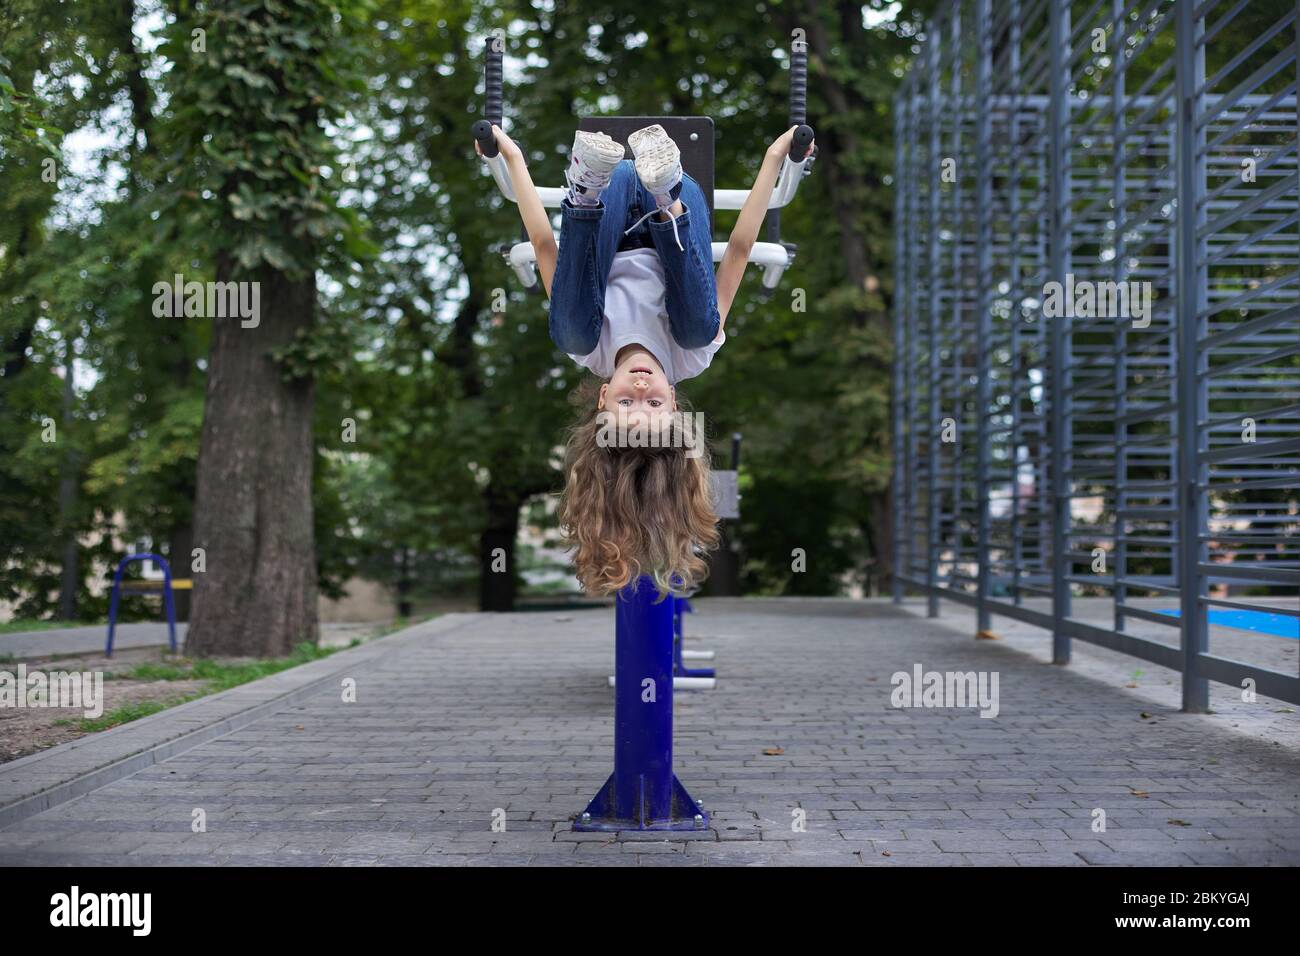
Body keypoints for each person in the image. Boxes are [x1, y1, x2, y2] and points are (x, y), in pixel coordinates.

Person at [475, 122, 812, 597]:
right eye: (654, 408)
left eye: (627, 409)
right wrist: (775, 157)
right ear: (672, 399)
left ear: (603, 399)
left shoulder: (586, 345)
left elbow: (544, 245)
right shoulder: (690, 356)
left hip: (605, 209)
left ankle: (584, 187)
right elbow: (738, 250)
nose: (640, 395)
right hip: (672, 205)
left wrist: (511, 157)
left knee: (568, 329)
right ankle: (665, 194)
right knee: (702, 330)